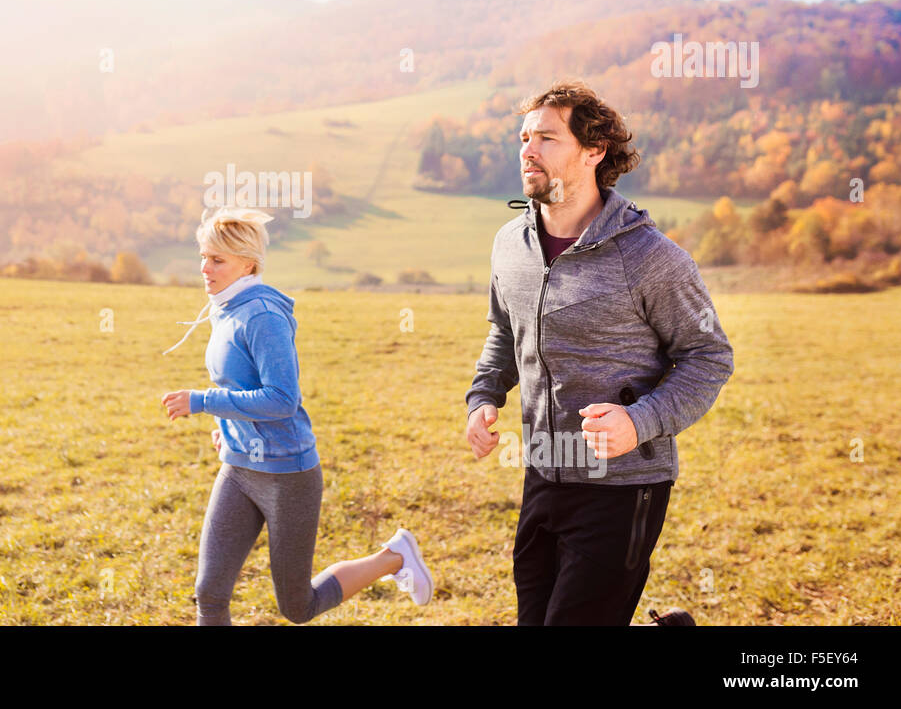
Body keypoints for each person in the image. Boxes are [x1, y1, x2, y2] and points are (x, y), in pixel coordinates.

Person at [463, 80, 733, 626]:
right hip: (544, 471)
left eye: (546, 137)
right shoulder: (509, 245)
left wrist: (640, 422)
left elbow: (709, 356)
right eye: (523, 137)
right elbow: (504, 329)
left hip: (623, 487)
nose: (527, 150)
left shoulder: (650, 257)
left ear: (593, 150)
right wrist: (483, 395)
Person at [161, 206, 433, 625]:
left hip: (287, 475)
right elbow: (237, 381)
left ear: (247, 264)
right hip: (238, 467)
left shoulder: (263, 316)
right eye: (203, 256)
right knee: (209, 592)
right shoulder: (227, 308)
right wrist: (227, 427)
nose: (204, 268)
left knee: (297, 606)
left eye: (216, 259)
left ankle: (393, 557)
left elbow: (281, 398)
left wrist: (202, 402)